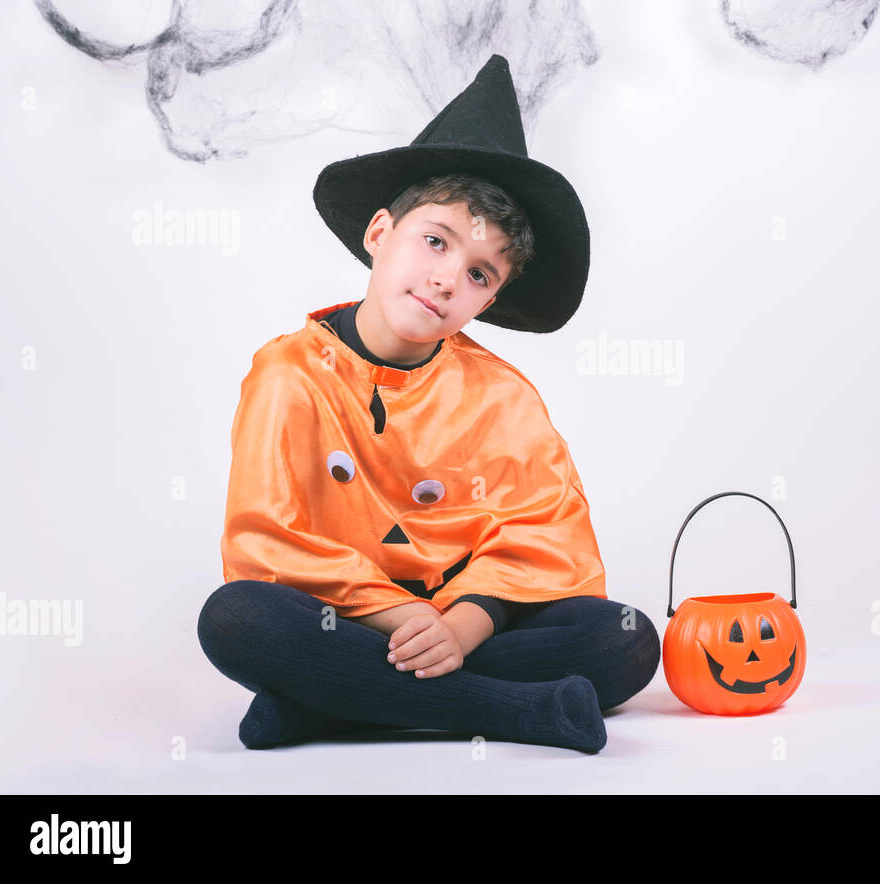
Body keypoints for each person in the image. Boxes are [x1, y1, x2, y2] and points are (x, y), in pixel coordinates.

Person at [196, 55, 660, 754]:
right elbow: (268, 542)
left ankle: (328, 705)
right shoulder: (288, 373)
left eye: (477, 273)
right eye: (435, 241)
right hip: (344, 620)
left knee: (623, 641)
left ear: (490, 299)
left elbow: (542, 537)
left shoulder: (500, 397)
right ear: (381, 233)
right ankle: (515, 711)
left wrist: (465, 622)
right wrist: (402, 618)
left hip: (465, 619)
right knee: (234, 617)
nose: (447, 279)